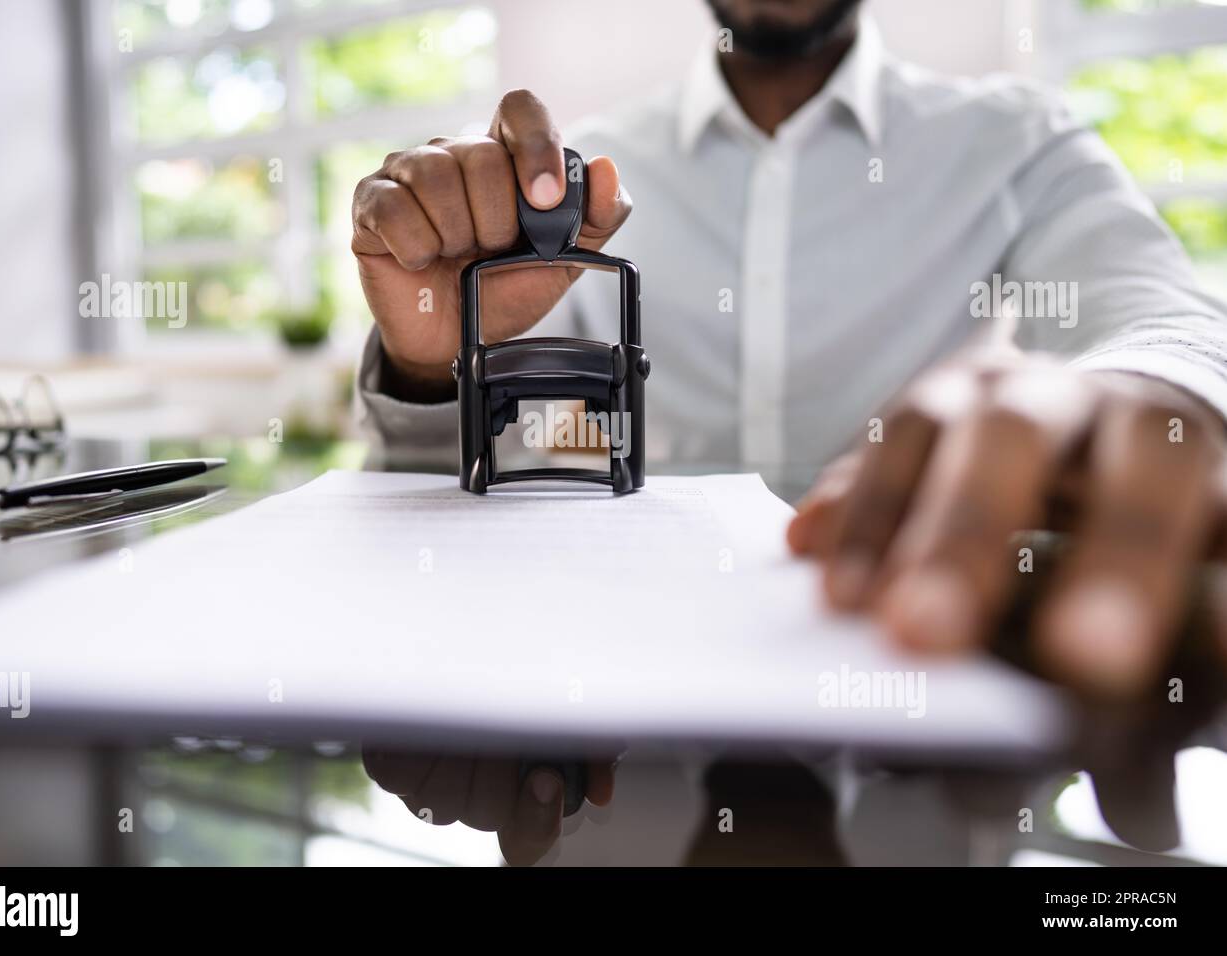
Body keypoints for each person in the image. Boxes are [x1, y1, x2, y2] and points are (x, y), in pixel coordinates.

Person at [351, 0, 1227, 858]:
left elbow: (1167, 321)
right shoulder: (574, 192)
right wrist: (435, 368)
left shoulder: (1018, 140)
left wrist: (1143, 396)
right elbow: (487, 468)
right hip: (606, 710)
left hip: (925, 705)